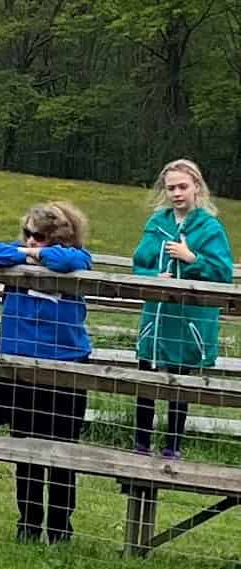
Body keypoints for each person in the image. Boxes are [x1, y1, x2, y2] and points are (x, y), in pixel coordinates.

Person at [0, 202, 93, 543]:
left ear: (58, 237)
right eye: (26, 234)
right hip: (19, 366)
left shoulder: (77, 258)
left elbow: (69, 261)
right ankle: (28, 523)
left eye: (38, 236)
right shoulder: (16, 254)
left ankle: (60, 529)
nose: (29, 241)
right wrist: (28, 253)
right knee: (24, 451)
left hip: (65, 365)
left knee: (62, 452)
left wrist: (38, 256)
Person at [132, 158, 235, 460]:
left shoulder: (209, 227)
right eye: (171, 188)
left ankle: (172, 445)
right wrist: (154, 278)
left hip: (187, 319)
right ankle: (141, 442)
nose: (177, 193)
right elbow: (140, 264)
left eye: (182, 187)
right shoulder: (157, 224)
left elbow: (222, 272)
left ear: (196, 187)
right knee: (145, 379)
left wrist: (192, 259)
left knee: (179, 384)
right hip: (157, 316)